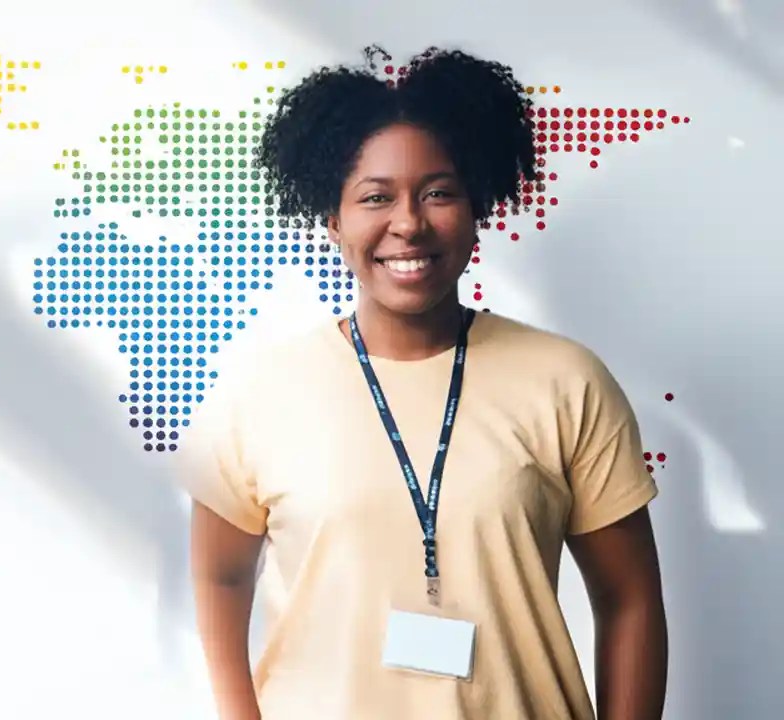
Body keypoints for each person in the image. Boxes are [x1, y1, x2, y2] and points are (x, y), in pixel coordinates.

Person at [178, 45, 668, 719]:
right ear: (333, 220)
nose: (408, 223)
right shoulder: (261, 392)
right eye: (375, 197)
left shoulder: (566, 381)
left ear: (477, 208)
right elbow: (220, 574)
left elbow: (630, 598)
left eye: (438, 193)